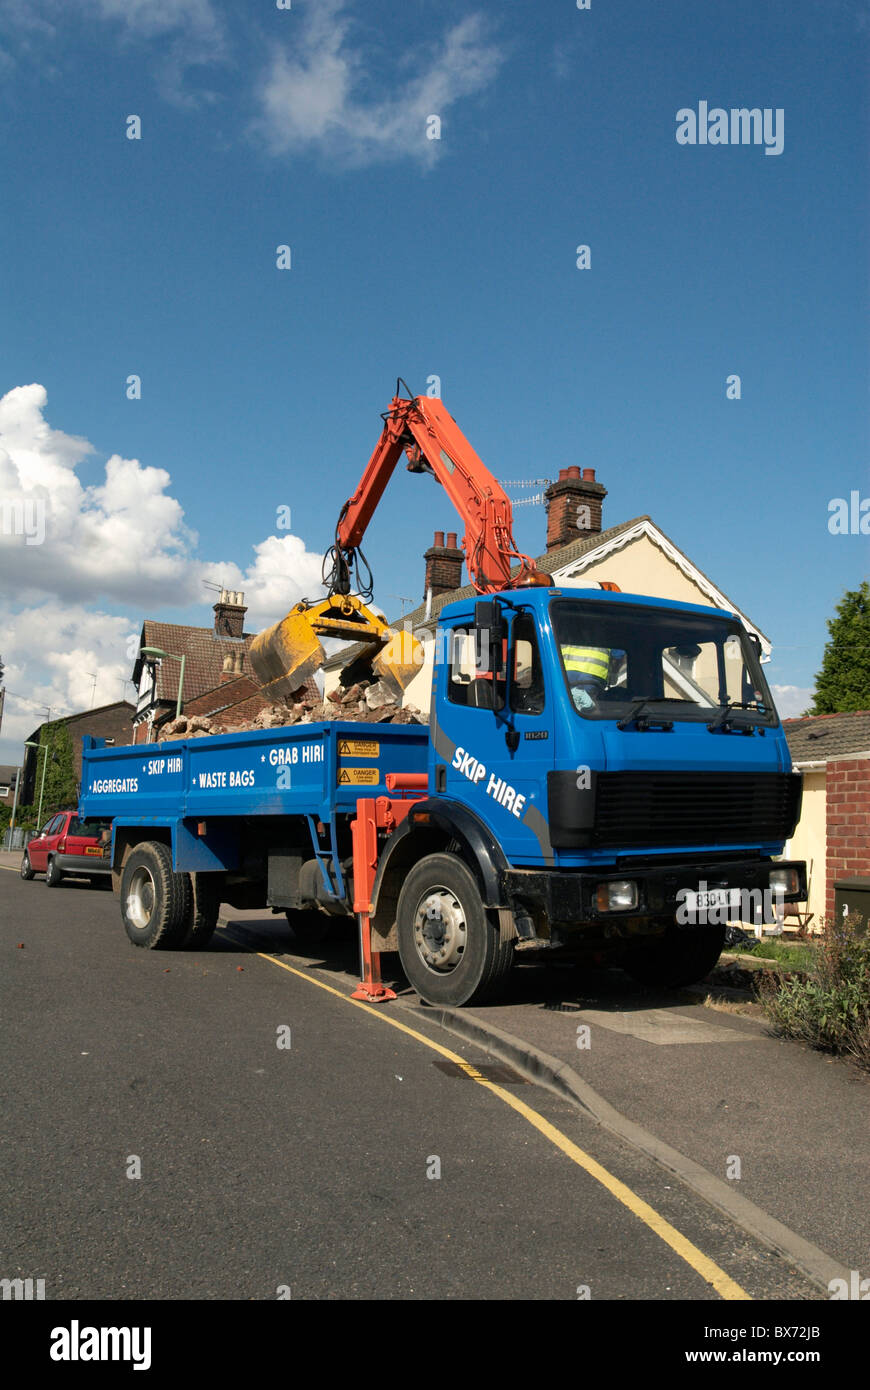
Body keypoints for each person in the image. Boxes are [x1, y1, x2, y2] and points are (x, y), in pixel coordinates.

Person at [561, 643, 611, 710]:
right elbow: (618, 657)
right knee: (589, 709)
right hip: (593, 674)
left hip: (565, 672)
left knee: (565, 705)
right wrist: (614, 674)